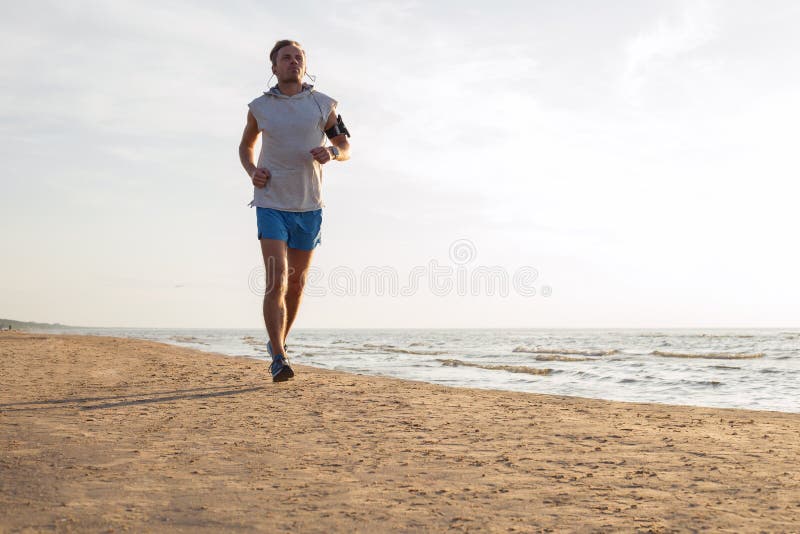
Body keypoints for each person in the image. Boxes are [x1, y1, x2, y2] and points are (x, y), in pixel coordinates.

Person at [239, 39, 350, 382]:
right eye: (285, 57)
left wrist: (331, 153)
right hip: (272, 202)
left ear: (304, 65)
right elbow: (246, 145)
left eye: (298, 57)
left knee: (297, 284)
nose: (293, 62)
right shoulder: (260, 106)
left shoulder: (323, 104)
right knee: (276, 280)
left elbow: (344, 144)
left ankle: (280, 345)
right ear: (273, 67)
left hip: (309, 205)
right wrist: (251, 170)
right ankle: (278, 356)